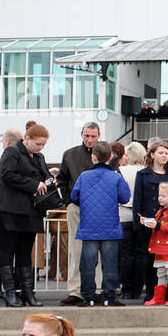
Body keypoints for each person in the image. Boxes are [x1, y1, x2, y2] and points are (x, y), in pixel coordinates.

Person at [0, 122, 53, 308]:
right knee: (7, 251)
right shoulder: (12, 152)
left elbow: (45, 175)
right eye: (38, 144)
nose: (40, 147)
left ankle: (27, 292)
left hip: (31, 211)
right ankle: (10, 293)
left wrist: (48, 180)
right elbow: (7, 175)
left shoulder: (39, 156)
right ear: (27, 139)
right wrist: (33, 184)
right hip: (11, 210)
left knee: (25, 253)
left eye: (43, 144)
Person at [69, 143, 131, 306]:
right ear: (110, 157)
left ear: (93, 157)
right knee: (109, 265)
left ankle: (88, 296)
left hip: (89, 226)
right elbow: (125, 197)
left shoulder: (84, 176)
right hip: (110, 227)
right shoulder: (116, 177)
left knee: (88, 265)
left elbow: (74, 196)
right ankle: (109, 296)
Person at [58, 123, 102, 307]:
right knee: (75, 249)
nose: (89, 139)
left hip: (100, 209)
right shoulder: (70, 154)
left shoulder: (106, 153)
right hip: (76, 206)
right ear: (81, 134)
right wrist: (69, 202)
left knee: (97, 250)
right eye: (86, 135)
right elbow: (62, 180)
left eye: (92, 136)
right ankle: (75, 290)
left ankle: (97, 288)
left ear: (99, 135)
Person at [132, 141, 168, 299]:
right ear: (152, 155)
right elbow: (137, 199)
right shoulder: (142, 174)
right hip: (148, 222)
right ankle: (152, 292)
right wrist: (137, 223)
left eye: (166, 153)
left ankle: (167, 293)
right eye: (161, 153)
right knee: (150, 260)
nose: (164, 156)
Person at [142, 182, 168, 305]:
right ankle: (159, 297)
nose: (160, 198)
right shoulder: (160, 211)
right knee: (160, 272)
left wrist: (157, 225)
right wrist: (148, 222)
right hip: (160, 248)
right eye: (159, 195)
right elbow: (159, 226)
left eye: (163, 196)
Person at [117, 142, 148, 299]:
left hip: (122, 214)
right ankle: (138, 287)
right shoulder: (146, 172)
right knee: (141, 253)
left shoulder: (121, 171)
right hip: (141, 216)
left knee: (125, 254)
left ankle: (126, 288)